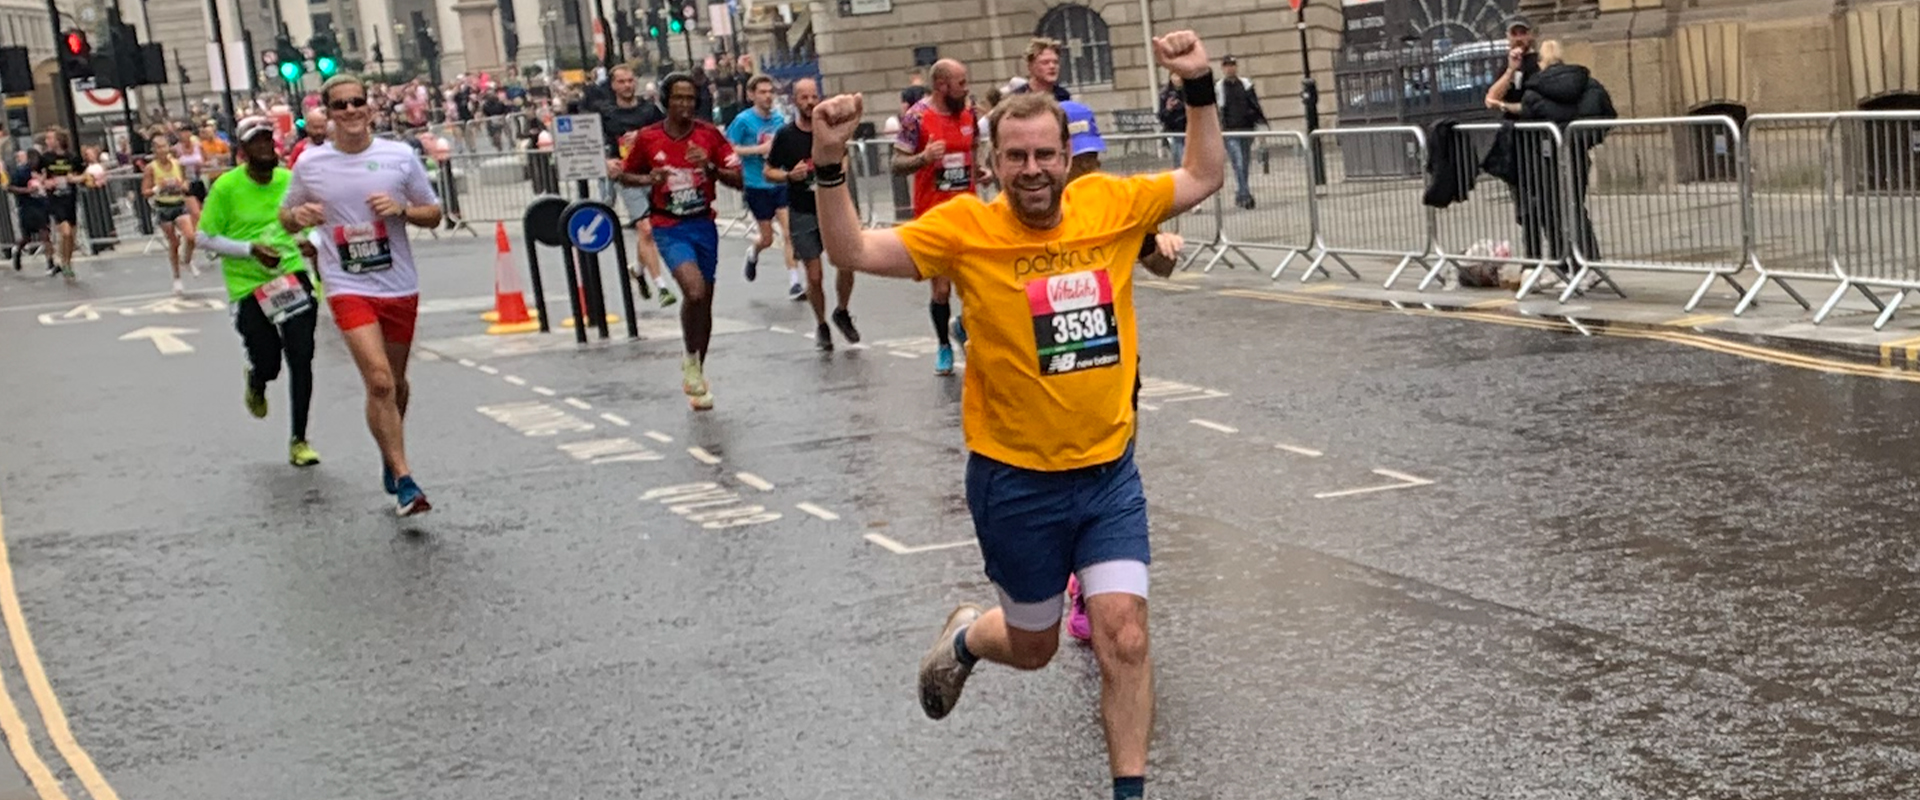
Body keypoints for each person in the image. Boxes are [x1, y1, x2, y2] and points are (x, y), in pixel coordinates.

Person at [811, 29, 1224, 800]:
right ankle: (968, 636)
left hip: (1108, 475)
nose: (1033, 171)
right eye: (1016, 158)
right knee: (1033, 647)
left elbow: (1204, 172)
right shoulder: (965, 230)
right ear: (996, 163)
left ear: (1067, 157)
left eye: (1045, 155)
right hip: (1015, 483)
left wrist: (1197, 82)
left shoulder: (1111, 205)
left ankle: (1128, 793)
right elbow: (854, 252)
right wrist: (830, 161)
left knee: (1124, 636)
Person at [280, 73, 445, 516]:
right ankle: (406, 479)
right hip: (347, 284)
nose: (350, 111)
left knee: (396, 384)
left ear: (370, 109)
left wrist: (403, 211)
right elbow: (286, 217)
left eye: (357, 103)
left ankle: (389, 456)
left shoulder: (399, 156)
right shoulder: (311, 164)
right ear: (327, 115)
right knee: (378, 381)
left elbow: (434, 213)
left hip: (398, 284)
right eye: (340, 105)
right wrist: (299, 215)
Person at [201, 117, 322, 468]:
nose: (266, 147)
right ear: (243, 152)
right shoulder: (226, 188)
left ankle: (299, 439)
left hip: (291, 275)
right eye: (257, 143)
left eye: (269, 141)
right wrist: (250, 249)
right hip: (249, 286)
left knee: (301, 356)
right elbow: (205, 238)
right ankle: (257, 378)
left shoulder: (290, 181)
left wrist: (310, 242)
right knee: (269, 361)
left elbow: (317, 223)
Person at [619, 72, 744, 411]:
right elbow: (625, 175)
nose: (685, 104)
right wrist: (649, 178)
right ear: (665, 100)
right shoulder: (648, 138)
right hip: (668, 225)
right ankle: (691, 358)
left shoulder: (709, 135)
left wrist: (711, 168)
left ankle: (696, 368)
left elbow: (740, 178)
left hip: (703, 224)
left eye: (690, 98)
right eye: (678, 98)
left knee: (705, 303)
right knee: (694, 290)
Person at [892, 58, 986, 376]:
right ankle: (944, 345)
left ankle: (963, 327)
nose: (967, 88)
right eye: (961, 83)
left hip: (968, 211)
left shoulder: (968, 112)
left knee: (976, 284)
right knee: (941, 289)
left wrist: (980, 171)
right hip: (934, 214)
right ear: (942, 85)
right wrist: (924, 157)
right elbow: (896, 163)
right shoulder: (917, 117)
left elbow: (972, 149)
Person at [764, 77, 861, 350]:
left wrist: (841, 169)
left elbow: (842, 153)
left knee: (847, 264)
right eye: (803, 97)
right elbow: (768, 171)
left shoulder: (828, 129)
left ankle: (842, 310)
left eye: (813, 97)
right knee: (815, 275)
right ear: (795, 101)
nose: (809, 102)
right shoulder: (785, 136)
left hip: (833, 208)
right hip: (803, 210)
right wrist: (788, 175)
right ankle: (821, 324)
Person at [600, 65, 676, 307]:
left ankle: (638, 269)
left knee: (651, 231)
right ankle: (662, 286)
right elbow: (594, 145)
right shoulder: (607, 114)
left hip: (653, 174)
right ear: (613, 85)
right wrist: (606, 162)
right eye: (621, 82)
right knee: (646, 229)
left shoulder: (649, 110)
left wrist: (642, 135)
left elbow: (667, 133)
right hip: (627, 177)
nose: (627, 86)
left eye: (630, 80)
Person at [728, 74, 801, 299]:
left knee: (789, 233)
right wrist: (756, 151)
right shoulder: (743, 121)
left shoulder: (779, 120)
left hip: (778, 181)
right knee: (767, 238)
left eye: (770, 91)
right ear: (751, 95)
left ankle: (795, 282)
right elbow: (729, 147)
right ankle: (754, 251)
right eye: (762, 92)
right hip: (756, 184)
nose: (768, 96)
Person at [143, 134, 199, 295]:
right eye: (158, 147)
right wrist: (157, 188)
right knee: (173, 242)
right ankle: (177, 278)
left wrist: (182, 185)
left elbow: (186, 182)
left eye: (164, 146)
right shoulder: (151, 168)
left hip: (179, 203)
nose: (162, 150)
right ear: (154, 150)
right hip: (163, 207)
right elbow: (145, 191)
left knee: (190, 236)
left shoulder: (177, 163)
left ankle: (186, 260)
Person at [1216, 55, 1267, 209]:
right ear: (1223, 68)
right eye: (1227, 65)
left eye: (1232, 65)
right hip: (1230, 131)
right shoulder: (1219, 87)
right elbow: (1217, 109)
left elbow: (1254, 104)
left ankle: (1241, 193)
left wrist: (1259, 122)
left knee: (1244, 163)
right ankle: (1246, 195)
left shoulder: (1245, 84)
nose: (1230, 68)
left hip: (1246, 128)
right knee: (1237, 161)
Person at [38, 128, 83, 278]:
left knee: (71, 236)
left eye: (49, 138)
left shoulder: (72, 157)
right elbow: (36, 173)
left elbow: (83, 174)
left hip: (70, 198)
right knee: (65, 232)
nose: (47, 141)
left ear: (58, 140)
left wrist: (74, 179)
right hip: (55, 199)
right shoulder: (46, 157)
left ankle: (66, 262)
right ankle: (62, 260)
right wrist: (45, 182)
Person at [7, 148, 51, 273]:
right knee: (27, 237)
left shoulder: (43, 171)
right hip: (27, 206)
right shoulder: (21, 172)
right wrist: (26, 191)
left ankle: (50, 263)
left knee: (45, 233)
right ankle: (17, 250)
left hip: (41, 205)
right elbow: (10, 187)